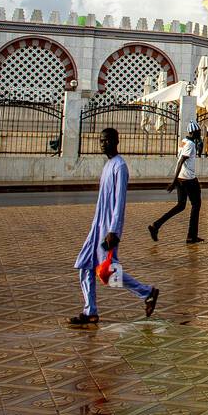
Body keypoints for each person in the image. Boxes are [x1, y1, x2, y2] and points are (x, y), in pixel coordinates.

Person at [69, 127, 158, 327]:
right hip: (97, 225)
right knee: (84, 265)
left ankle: (147, 292)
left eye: (107, 140)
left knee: (108, 272)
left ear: (116, 142)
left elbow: (120, 201)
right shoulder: (108, 165)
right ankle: (90, 311)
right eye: (101, 141)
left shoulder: (120, 166)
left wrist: (114, 231)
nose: (103, 144)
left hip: (108, 228)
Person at [149, 121, 203, 245]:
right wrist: (173, 182)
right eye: (199, 132)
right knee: (196, 205)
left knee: (181, 205)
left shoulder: (183, 141)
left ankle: (156, 225)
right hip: (188, 179)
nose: (200, 134)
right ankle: (191, 236)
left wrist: (176, 180)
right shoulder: (190, 144)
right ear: (194, 132)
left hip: (181, 178)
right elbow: (181, 161)